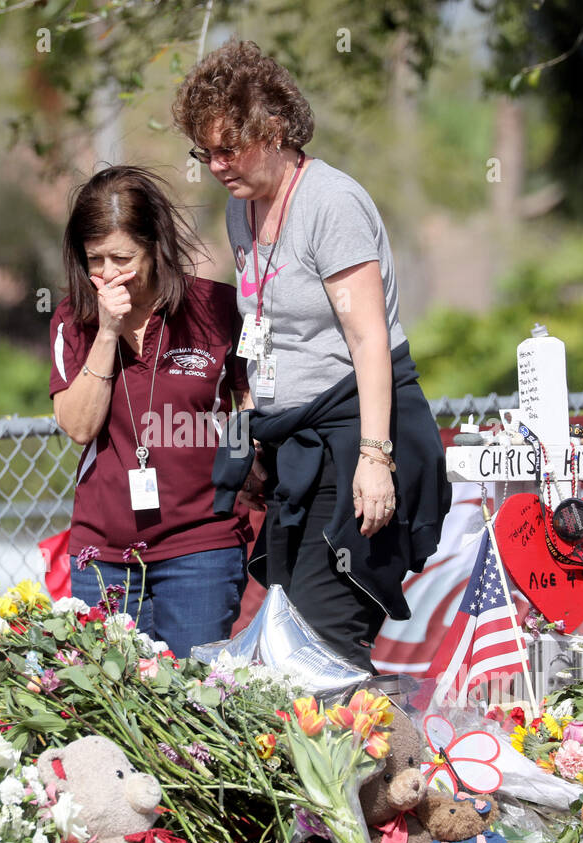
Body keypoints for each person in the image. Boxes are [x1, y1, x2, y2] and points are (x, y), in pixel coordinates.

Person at [173, 40, 451, 671]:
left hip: (358, 436)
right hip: (295, 445)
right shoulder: (240, 208)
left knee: (323, 649)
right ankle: (342, 765)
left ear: (274, 129)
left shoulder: (330, 203)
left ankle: (386, 766)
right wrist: (253, 439)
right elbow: (261, 328)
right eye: (205, 150)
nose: (215, 164)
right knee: (285, 640)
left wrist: (375, 460)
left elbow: (368, 340)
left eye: (228, 147)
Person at [49, 165, 253, 658]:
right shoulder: (72, 321)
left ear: (155, 246)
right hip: (103, 554)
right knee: (113, 707)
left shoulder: (218, 308)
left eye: (122, 257)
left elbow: (248, 402)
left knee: (198, 704)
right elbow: (78, 426)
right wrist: (106, 331)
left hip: (201, 545)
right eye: (94, 259)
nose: (107, 273)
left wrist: (244, 464)